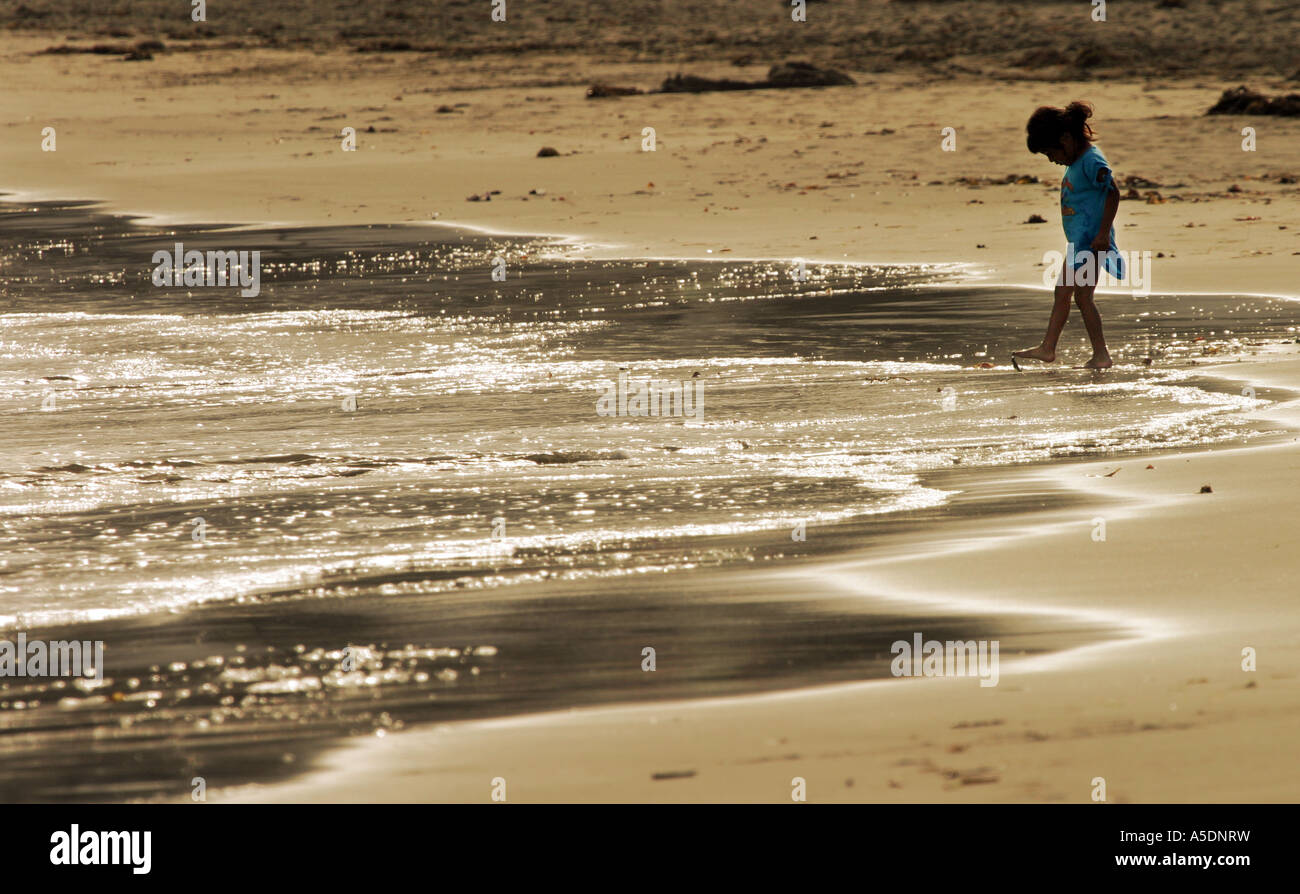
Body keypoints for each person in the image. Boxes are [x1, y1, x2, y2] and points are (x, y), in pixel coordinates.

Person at [1014, 101, 1122, 370]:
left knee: (1083, 298)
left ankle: (1101, 355)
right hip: (1079, 243)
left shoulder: (1091, 160)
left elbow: (1112, 191)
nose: (1053, 160)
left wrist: (1103, 235)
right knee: (1062, 292)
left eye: (1052, 153)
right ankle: (1048, 348)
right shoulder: (1076, 161)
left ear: (1066, 138)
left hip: (1091, 243)